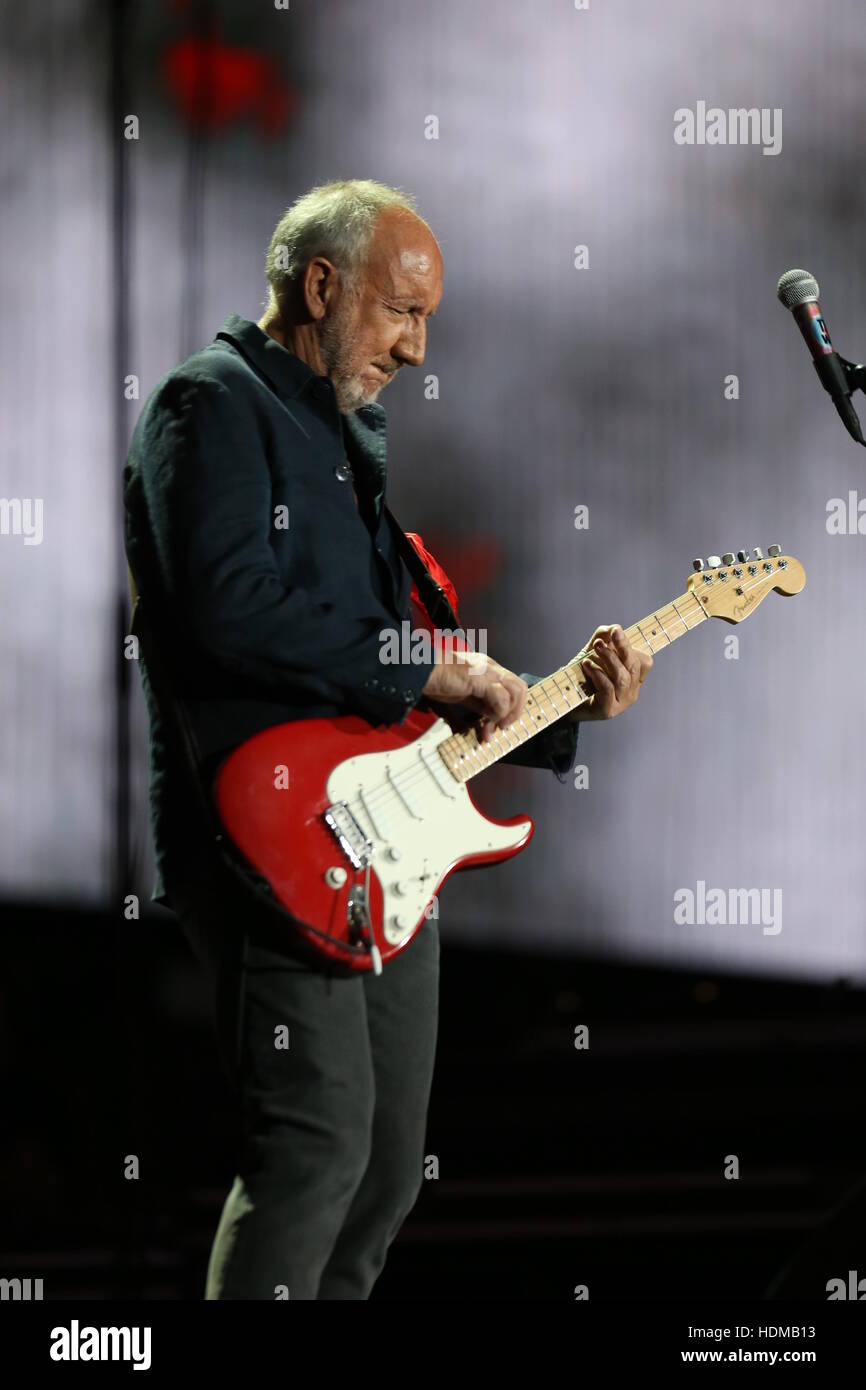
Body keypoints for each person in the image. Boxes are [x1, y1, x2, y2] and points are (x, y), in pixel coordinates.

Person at [123, 179, 652, 1300]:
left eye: (427, 323)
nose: (416, 349)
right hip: (272, 837)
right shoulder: (208, 404)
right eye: (401, 313)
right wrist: (426, 662)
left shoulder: (341, 438)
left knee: (380, 1177)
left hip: (380, 850)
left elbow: (390, 675)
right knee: (314, 1149)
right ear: (320, 285)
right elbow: (230, 606)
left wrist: (561, 711)